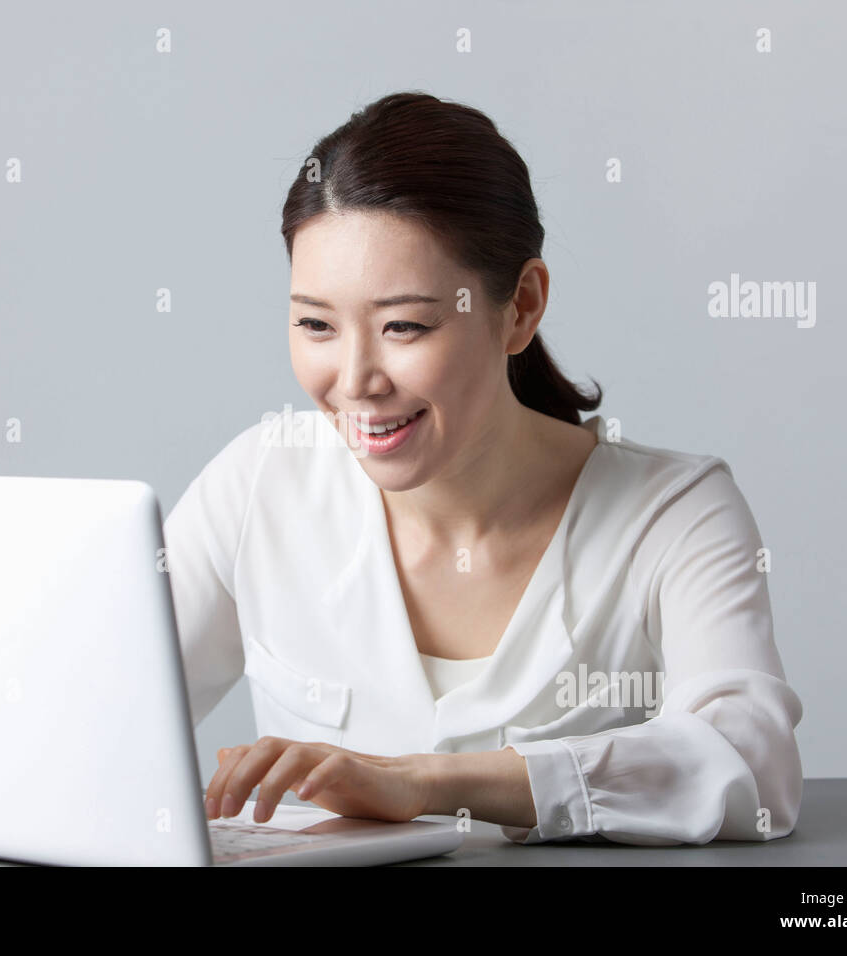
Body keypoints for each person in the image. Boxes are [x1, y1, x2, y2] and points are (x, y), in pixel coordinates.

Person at [163, 91, 803, 845]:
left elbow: (752, 767)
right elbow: (95, 719)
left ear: (522, 307)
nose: (357, 379)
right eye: (316, 325)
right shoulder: (260, 486)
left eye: (404, 325)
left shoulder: (674, 512)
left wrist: (418, 782)